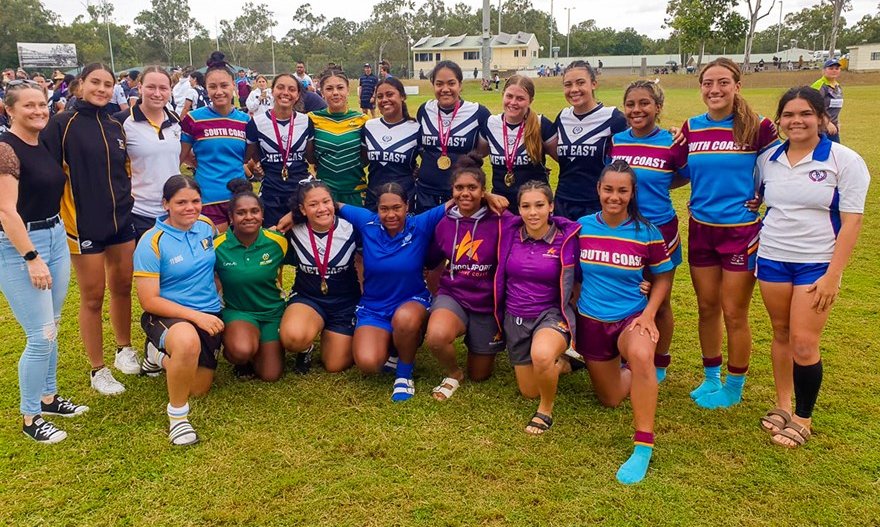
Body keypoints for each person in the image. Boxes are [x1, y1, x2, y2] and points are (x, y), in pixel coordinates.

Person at [755, 86, 869, 448]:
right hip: (773, 257)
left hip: (816, 263)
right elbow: (761, 200)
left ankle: (803, 418)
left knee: (804, 342)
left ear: (821, 118)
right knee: (781, 332)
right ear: (780, 120)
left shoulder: (844, 160)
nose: (796, 121)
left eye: (805, 114)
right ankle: (783, 405)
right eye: (789, 115)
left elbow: (852, 222)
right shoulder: (768, 158)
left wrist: (833, 275)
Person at [680, 57, 780, 409]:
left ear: (737, 86)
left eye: (723, 82)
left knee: (734, 311)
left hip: (739, 232)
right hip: (701, 229)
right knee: (707, 307)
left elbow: (778, 170)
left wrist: (762, 196)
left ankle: (734, 386)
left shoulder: (759, 127)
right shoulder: (691, 127)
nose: (715, 89)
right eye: (708, 83)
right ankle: (711, 377)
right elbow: (676, 170)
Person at [41, 63, 138, 395]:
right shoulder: (61, 124)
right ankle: (98, 369)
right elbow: (48, 174)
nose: (102, 89)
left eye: (108, 84)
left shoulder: (115, 124)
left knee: (123, 286)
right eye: (95, 82)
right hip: (83, 224)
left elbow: (125, 171)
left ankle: (124, 348)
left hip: (121, 220)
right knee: (93, 296)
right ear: (80, 84)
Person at [0, 79, 89, 443]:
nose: (38, 111)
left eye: (42, 104)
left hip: (54, 235)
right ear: (10, 109)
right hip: (22, 245)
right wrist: (31, 257)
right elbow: (6, 211)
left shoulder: (41, 143)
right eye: (29, 105)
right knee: (40, 335)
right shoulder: (6, 150)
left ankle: (48, 398)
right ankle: (30, 418)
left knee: (52, 324)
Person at [575, 160, 674, 484]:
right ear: (598, 190)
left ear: (632, 194)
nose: (614, 197)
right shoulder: (581, 228)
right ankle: (631, 370)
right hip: (591, 321)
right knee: (611, 398)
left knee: (643, 355)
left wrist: (649, 313)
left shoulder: (647, 232)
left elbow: (663, 276)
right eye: (608, 189)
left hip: (631, 318)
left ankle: (643, 445)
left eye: (622, 191)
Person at [608, 80, 689, 381]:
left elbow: (685, 175)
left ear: (658, 107)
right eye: (630, 104)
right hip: (622, 230)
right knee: (627, 294)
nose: (636, 109)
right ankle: (626, 354)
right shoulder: (617, 141)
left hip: (660, 231)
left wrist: (660, 184)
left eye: (644, 103)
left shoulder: (672, 141)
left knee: (660, 299)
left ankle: (660, 361)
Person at [135, 176, 223, 446]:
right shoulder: (151, 242)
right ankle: (178, 418)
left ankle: (157, 357)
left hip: (209, 313)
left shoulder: (206, 226)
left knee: (198, 388)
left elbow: (216, 268)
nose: (190, 208)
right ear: (166, 204)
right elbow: (149, 300)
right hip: (168, 315)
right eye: (181, 202)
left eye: (195, 201)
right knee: (187, 342)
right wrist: (196, 316)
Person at [493, 180, 580, 435]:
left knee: (541, 356)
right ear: (519, 209)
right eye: (526, 206)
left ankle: (545, 410)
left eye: (540, 205)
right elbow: (475, 198)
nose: (533, 212)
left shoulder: (567, 239)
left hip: (550, 315)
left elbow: (594, 268)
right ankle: (563, 364)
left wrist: (639, 283)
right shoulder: (509, 232)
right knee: (529, 390)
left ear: (551, 206)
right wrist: (487, 194)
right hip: (515, 318)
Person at [424, 154, 507, 400]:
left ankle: (478, 339)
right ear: (452, 191)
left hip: (487, 303)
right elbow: (431, 259)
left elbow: (533, 221)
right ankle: (454, 373)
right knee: (436, 337)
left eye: (472, 187)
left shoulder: (501, 220)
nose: (465, 193)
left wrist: (492, 200)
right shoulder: (444, 223)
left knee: (480, 375)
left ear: (483, 191)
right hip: (454, 295)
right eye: (459, 188)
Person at [279, 178, 361, 374]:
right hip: (308, 299)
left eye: (326, 201)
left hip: (344, 303)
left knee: (334, 365)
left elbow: (363, 265)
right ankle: (305, 346)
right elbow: (267, 241)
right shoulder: (293, 230)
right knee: (293, 338)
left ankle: (332, 334)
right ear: (302, 209)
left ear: (334, 203)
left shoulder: (352, 229)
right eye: (313, 204)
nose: (322, 209)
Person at [214, 179, 288, 381]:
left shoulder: (278, 242)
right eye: (241, 213)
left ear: (262, 215)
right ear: (231, 217)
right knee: (241, 350)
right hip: (238, 312)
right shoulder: (217, 246)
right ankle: (240, 353)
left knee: (270, 374)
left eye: (254, 211)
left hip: (272, 313)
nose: (249, 217)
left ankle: (262, 345)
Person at [179, 58, 250, 232]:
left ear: (233, 86)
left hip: (240, 198)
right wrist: (195, 162)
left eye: (224, 85)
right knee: (214, 247)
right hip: (208, 198)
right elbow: (180, 156)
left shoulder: (246, 121)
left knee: (241, 246)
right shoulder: (194, 119)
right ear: (206, 88)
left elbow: (249, 156)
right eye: (212, 87)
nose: (219, 92)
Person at [114, 67, 182, 241]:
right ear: (140, 88)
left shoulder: (175, 121)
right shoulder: (121, 121)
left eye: (163, 88)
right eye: (151, 87)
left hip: (173, 210)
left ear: (170, 91)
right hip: (138, 212)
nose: (157, 93)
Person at [554, 60, 627, 220]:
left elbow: (639, 139)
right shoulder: (562, 117)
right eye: (568, 85)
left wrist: (673, 133)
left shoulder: (613, 118)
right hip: (562, 203)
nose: (574, 89)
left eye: (580, 83)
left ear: (594, 84)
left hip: (596, 204)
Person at [415, 61, 491, 211]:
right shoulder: (424, 110)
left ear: (460, 85)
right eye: (439, 84)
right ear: (433, 85)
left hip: (462, 194)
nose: (445, 89)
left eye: (451, 83)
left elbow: (483, 152)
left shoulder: (478, 112)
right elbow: (420, 146)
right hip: (426, 192)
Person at [477, 75, 556, 212]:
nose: (513, 102)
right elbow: (476, 158)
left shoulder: (541, 124)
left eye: (520, 98)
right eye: (509, 96)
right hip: (501, 206)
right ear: (502, 95)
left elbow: (565, 161)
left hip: (533, 208)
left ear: (530, 101)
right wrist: (485, 194)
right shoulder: (490, 124)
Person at [245, 73, 313, 227]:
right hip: (271, 192)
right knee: (273, 236)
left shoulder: (306, 121)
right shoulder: (256, 123)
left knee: (301, 237)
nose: (285, 93)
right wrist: (257, 165)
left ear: (298, 95)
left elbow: (311, 158)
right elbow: (249, 155)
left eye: (292, 89)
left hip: (300, 191)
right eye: (280, 87)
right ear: (272, 91)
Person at [310, 70, 369, 205]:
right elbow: (309, 156)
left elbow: (365, 158)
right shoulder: (312, 119)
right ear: (322, 92)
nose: (335, 92)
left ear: (348, 90)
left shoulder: (362, 120)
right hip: (324, 194)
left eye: (340, 88)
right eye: (329, 89)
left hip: (355, 192)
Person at [362, 77, 420, 211]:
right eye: (380, 96)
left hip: (404, 202)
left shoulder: (416, 128)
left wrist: (417, 172)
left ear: (402, 96)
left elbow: (429, 161)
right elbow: (362, 160)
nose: (384, 100)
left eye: (390, 94)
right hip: (374, 200)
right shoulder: (368, 126)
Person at [811, 59, 844, 143]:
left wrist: (837, 122)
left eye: (837, 68)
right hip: (820, 127)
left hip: (833, 126)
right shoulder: (819, 85)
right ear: (824, 70)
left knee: (835, 150)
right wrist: (827, 123)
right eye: (831, 68)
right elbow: (813, 107)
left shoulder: (837, 86)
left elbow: (835, 106)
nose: (834, 70)